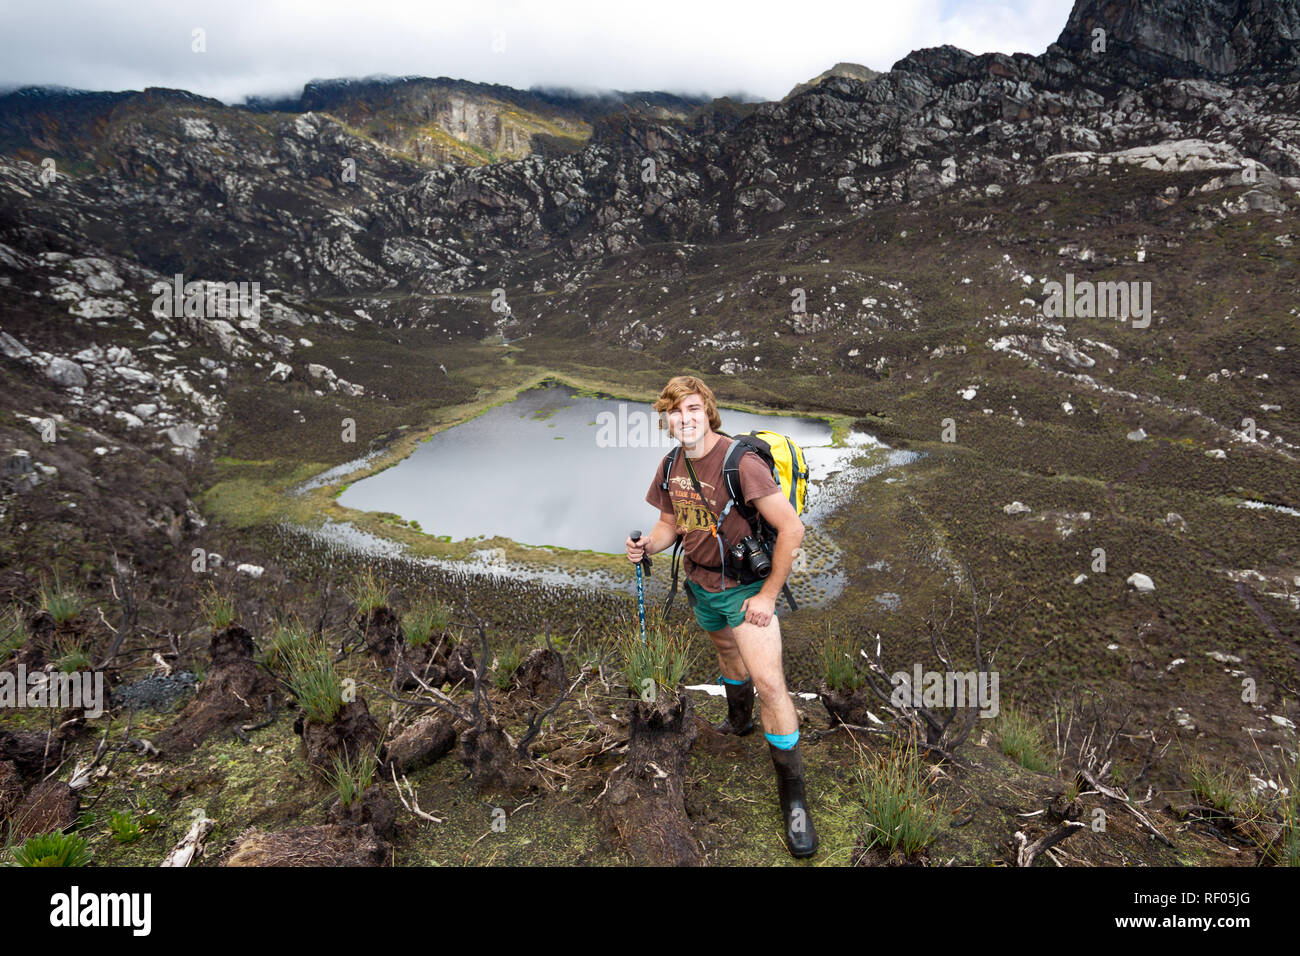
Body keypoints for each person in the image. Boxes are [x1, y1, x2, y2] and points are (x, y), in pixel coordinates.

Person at [625, 374, 818, 858]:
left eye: (692, 408)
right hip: (701, 583)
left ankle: (794, 800)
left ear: (707, 411)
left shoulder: (741, 462)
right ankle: (739, 722)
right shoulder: (671, 464)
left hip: (747, 591)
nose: (684, 419)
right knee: (726, 653)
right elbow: (671, 523)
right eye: (674, 412)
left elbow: (791, 529)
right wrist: (649, 544)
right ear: (667, 420)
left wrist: (769, 595)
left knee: (771, 684)